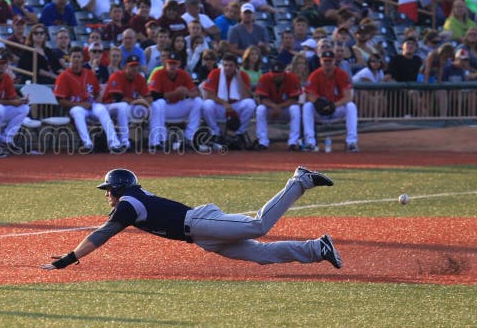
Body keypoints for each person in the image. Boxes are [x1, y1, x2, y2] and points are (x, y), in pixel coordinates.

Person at [41, 167, 341, 270]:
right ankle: (317, 248)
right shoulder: (132, 199)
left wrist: (69, 259)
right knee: (262, 255)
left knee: (258, 226)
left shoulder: (129, 202)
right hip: (200, 236)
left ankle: (300, 180)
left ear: (119, 188)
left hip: (199, 222)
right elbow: (107, 225)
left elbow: (103, 233)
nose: (107, 194)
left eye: (108, 189)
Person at [54, 46, 124, 154]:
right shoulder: (63, 76)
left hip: (91, 105)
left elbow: (97, 93)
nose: (76, 59)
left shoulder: (89, 73)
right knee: (77, 112)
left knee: (102, 109)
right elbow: (60, 100)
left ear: (83, 59)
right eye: (74, 57)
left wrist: (96, 100)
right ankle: (87, 144)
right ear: (69, 58)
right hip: (75, 107)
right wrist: (80, 104)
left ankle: (114, 143)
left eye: (79, 57)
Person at [147, 51, 205, 152]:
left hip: (178, 107)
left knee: (198, 101)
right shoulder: (158, 73)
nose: (172, 66)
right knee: (158, 103)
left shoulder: (183, 74)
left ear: (179, 64)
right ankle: (157, 141)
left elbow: (196, 92)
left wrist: (187, 93)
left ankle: (189, 137)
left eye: (174, 63)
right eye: (170, 63)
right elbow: (153, 95)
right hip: (164, 108)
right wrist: (175, 93)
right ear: (165, 63)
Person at [302, 49, 358, 152]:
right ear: (321, 61)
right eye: (325, 60)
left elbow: (348, 97)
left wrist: (333, 105)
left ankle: (351, 142)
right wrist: (319, 103)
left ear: (334, 61)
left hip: (336, 109)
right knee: (307, 106)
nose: (327, 63)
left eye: (330, 61)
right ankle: (310, 142)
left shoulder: (341, 74)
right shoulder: (315, 75)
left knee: (351, 106)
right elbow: (309, 95)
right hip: (320, 110)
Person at [201, 52, 256, 144]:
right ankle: (216, 133)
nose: (227, 68)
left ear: (236, 66)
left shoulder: (243, 75)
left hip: (235, 106)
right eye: (225, 65)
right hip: (220, 106)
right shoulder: (215, 73)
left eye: (231, 65)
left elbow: (246, 96)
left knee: (250, 104)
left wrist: (239, 78)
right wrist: (224, 103)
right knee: (207, 105)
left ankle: (239, 134)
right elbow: (208, 95)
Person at [103, 55, 151, 150]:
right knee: (123, 105)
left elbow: (149, 98)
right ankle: (124, 140)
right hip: (109, 106)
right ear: (125, 67)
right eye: (131, 66)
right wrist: (138, 101)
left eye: (136, 66)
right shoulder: (117, 76)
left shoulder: (140, 78)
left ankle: (152, 140)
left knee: (151, 107)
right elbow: (118, 98)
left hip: (128, 106)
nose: (134, 68)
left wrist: (143, 101)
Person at [254, 60, 302, 150]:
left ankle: (293, 142)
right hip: (270, 109)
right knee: (260, 109)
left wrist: (278, 107)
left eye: (279, 74)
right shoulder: (264, 78)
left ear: (284, 72)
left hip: (285, 110)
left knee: (295, 109)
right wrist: (274, 106)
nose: (277, 76)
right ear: (270, 72)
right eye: (274, 73)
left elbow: (294, 100)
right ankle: (262, 142)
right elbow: (262, 99)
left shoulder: (292, 78)